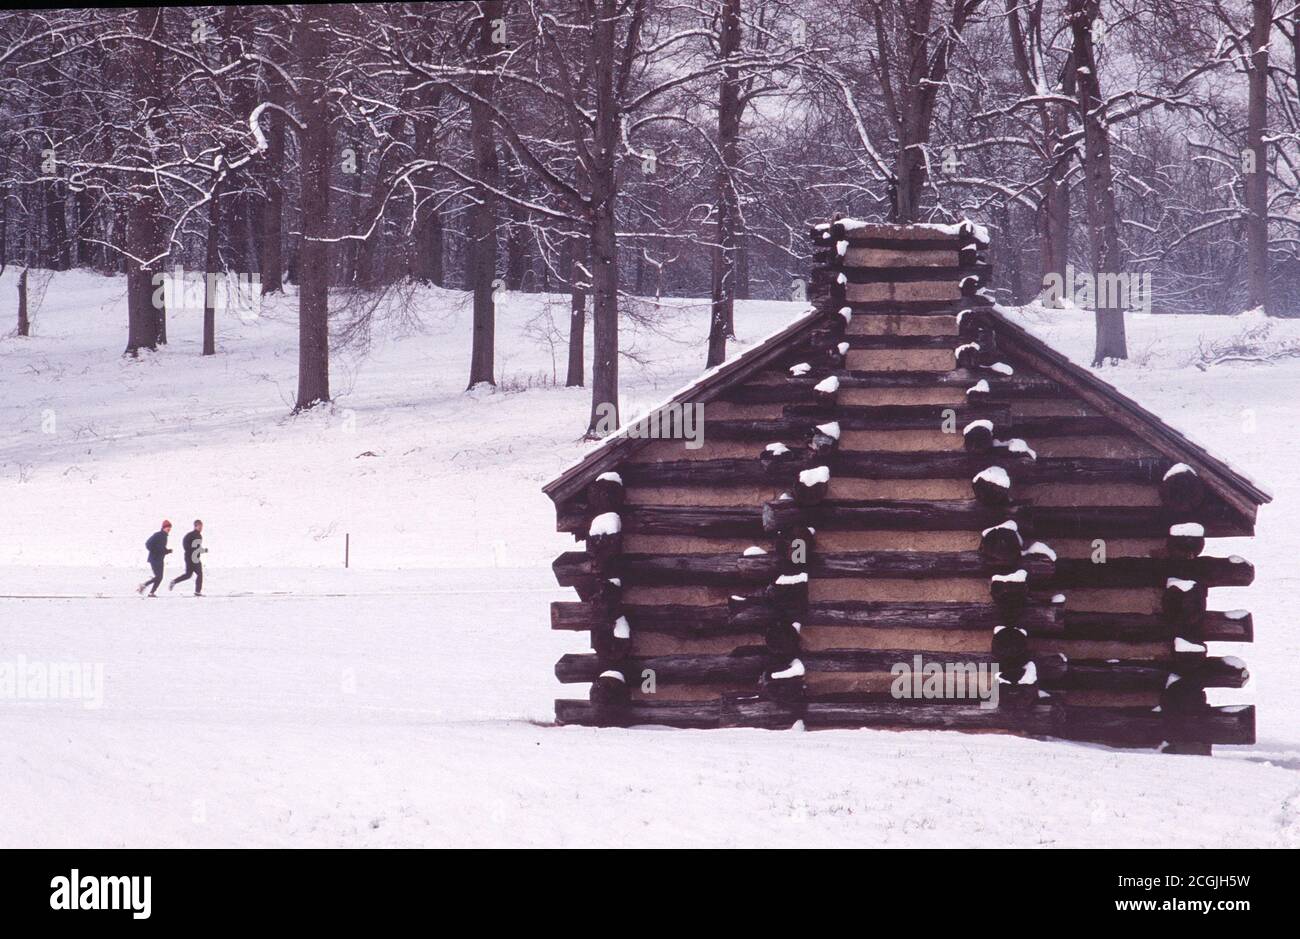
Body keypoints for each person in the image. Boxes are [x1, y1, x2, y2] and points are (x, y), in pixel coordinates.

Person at [136, 520, 173, 597]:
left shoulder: (164, 536)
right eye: (167, 527)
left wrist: (167, 551)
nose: (169, 529)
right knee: (159, 577)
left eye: (169, 527)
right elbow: (148, 544)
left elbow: (161, 549)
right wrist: (155, 551)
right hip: (154, 559)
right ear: (163, 528)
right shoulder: (158, 535)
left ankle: (151, 592)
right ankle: (144, 586)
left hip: (159, 559)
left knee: (159, 577)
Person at [169, 520, 206, 596]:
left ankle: (174, 581)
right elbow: (195, 548)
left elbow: (187, 545)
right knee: (199, 574)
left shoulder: (190, 535)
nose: (201, 528)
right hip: (194, 558)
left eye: (201, 526)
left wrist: (193, 551)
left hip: (189, 557)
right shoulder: (196, 535)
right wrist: (203, 550)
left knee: (188, 575)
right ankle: (197, 591)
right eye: (199, 526)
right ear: (195, 526)